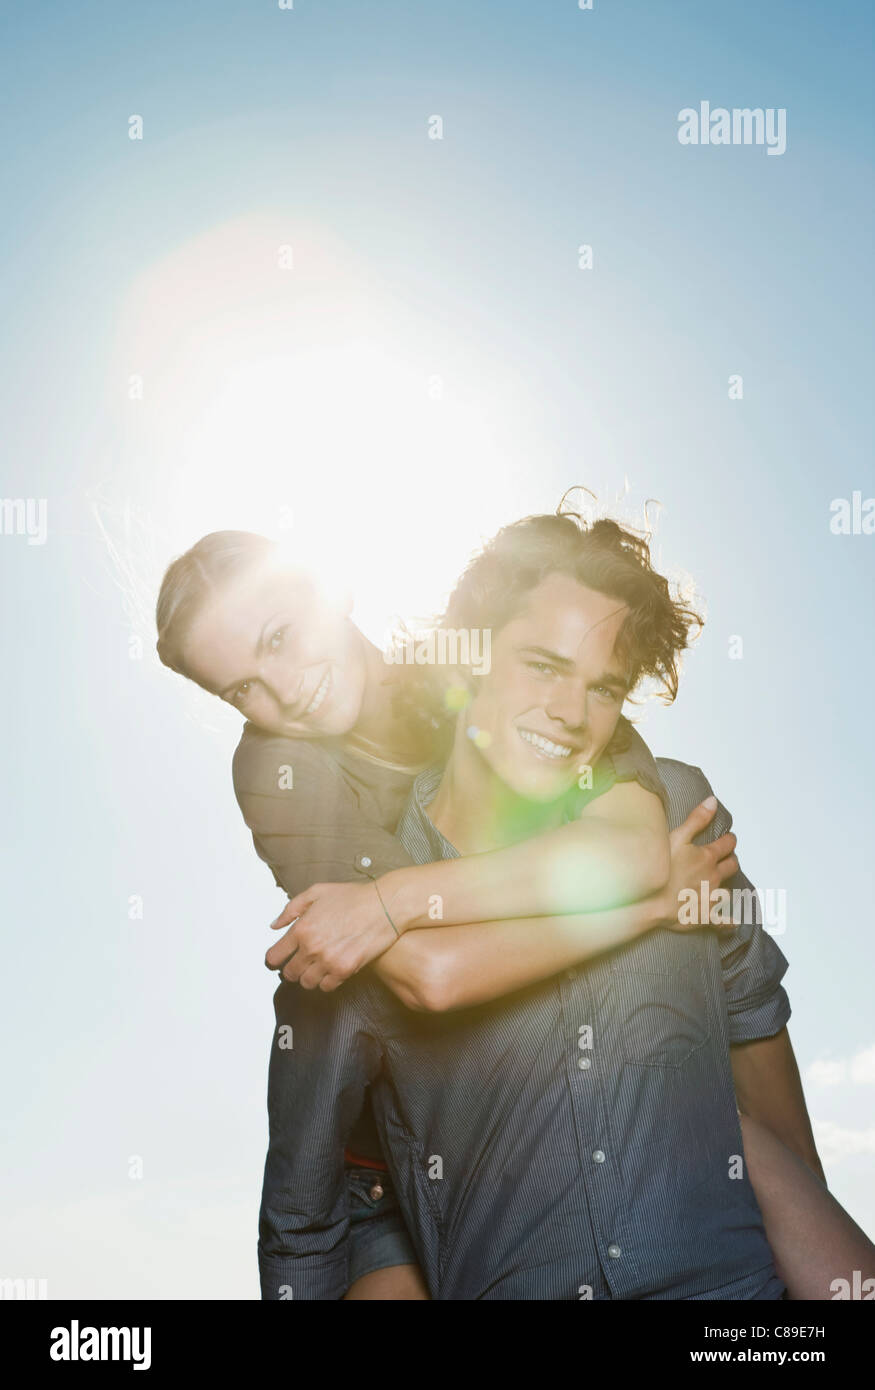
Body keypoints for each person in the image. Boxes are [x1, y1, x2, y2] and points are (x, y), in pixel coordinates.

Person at [156, 511, 874, 1298]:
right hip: (386, 1175)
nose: (287, 689)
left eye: (280, 639)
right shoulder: (279, 771)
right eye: (242, 689)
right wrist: (643, 907)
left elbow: (638, 842)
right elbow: (424, 973)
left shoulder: (498, 689)